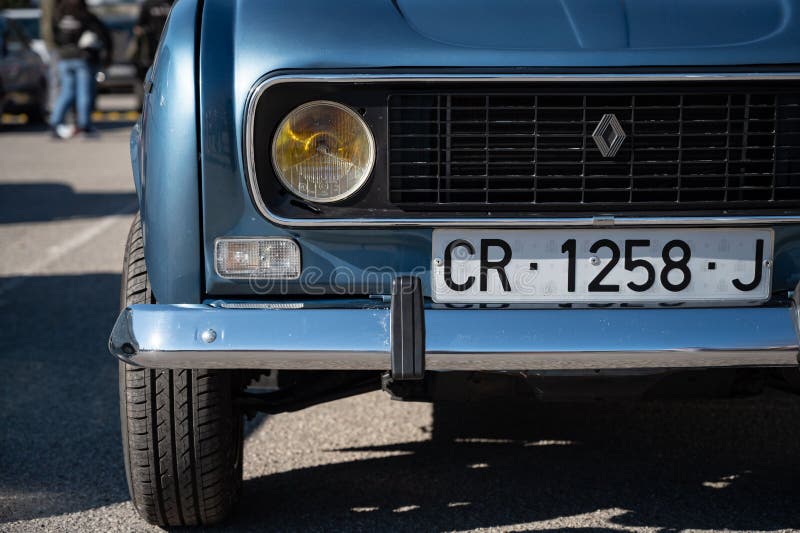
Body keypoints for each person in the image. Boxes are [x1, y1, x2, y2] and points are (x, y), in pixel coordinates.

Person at [49, 0, 111, 139]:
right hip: (81, 58)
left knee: (66, 92)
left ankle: (55, 123)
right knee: (84, 93)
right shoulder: (85, 16)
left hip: (64, 58)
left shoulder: (59, 15)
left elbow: (55, 37)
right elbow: (102, 34)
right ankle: (84, 126)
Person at [132, 0, 173, 88]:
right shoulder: (149, 4)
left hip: (170, 46)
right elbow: (138, 27)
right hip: (151, 49)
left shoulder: (174, 3)